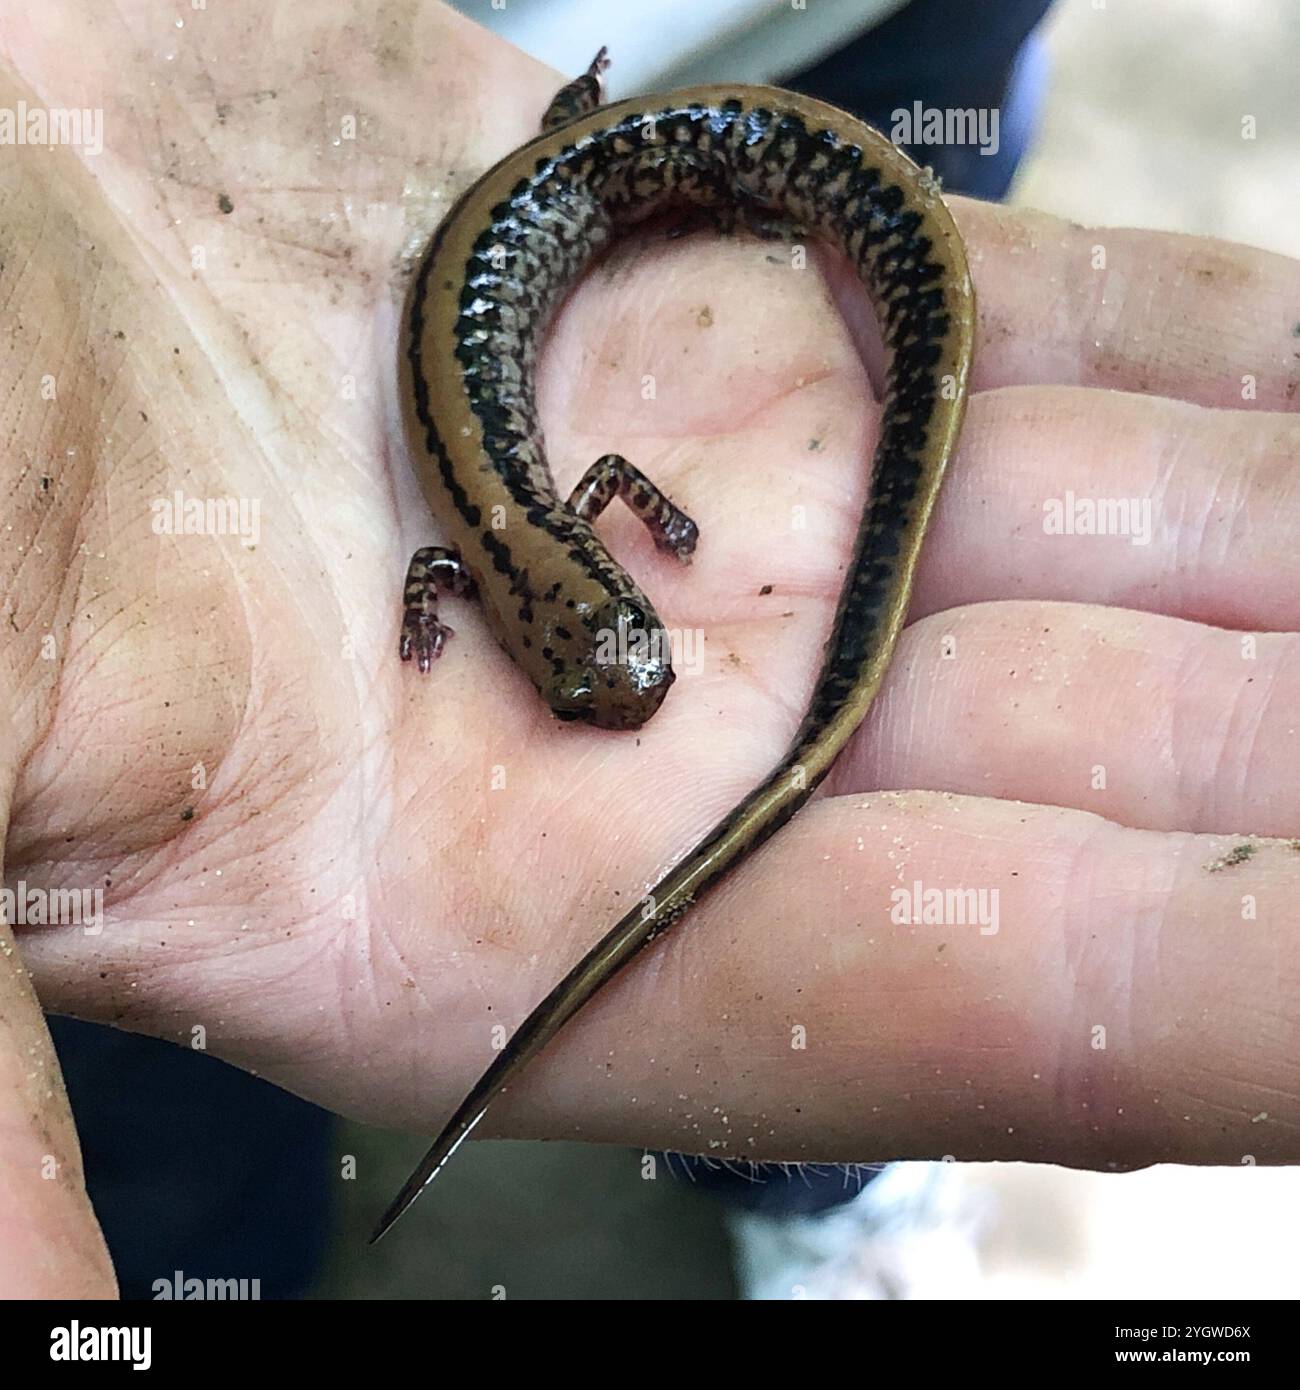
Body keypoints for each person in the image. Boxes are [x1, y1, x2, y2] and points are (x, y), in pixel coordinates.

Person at [3, 3, 1297, 1298]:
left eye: (614, 645)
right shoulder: (494, 539)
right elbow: (457, 553)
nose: (631, 684)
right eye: (590, 675)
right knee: (177, 1114)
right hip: (593, 148)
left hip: (789, 67)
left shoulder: (493, 537)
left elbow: (444, 562)